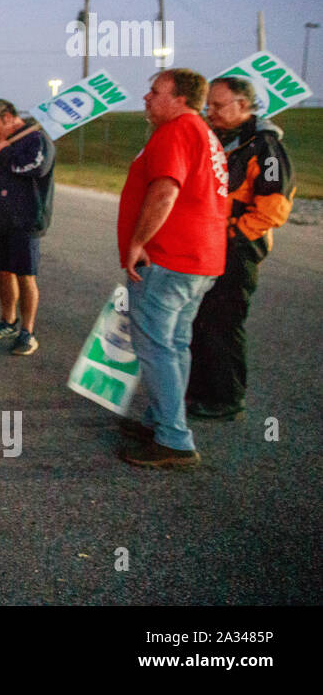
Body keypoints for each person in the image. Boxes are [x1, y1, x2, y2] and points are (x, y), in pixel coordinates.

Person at [116, 69, 228, 469]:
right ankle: (161, 419)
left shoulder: (177, 130)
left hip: (169, 260)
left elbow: (166, 189)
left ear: (181, 100)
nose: (146, 98)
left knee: (157, 347)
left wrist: (136, 243)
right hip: (199, 260)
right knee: (175, 345)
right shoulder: (202, 132)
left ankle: (175, 440)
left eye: (155, 91)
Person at [186, 76, 294, 420]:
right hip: (207, 247)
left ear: (243, 106)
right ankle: (200, 392)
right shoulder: (220, 140)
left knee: (224, 323)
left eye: (218, 106)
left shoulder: (265, 147)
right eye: (209, 105)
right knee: (201, 321)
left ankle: (227, 400)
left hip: (236, 251)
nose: (210, 112)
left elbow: (273, 208)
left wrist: (233, 236)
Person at [0, 99, 55, 356]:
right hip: (0, 218)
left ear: (7, 117)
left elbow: (34, 168)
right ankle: (8, 321)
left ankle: (27, 332)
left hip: (25, 219)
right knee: (3, 271)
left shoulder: (36, 139)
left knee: (24, 274)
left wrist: (5, 151)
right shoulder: (3, 145)